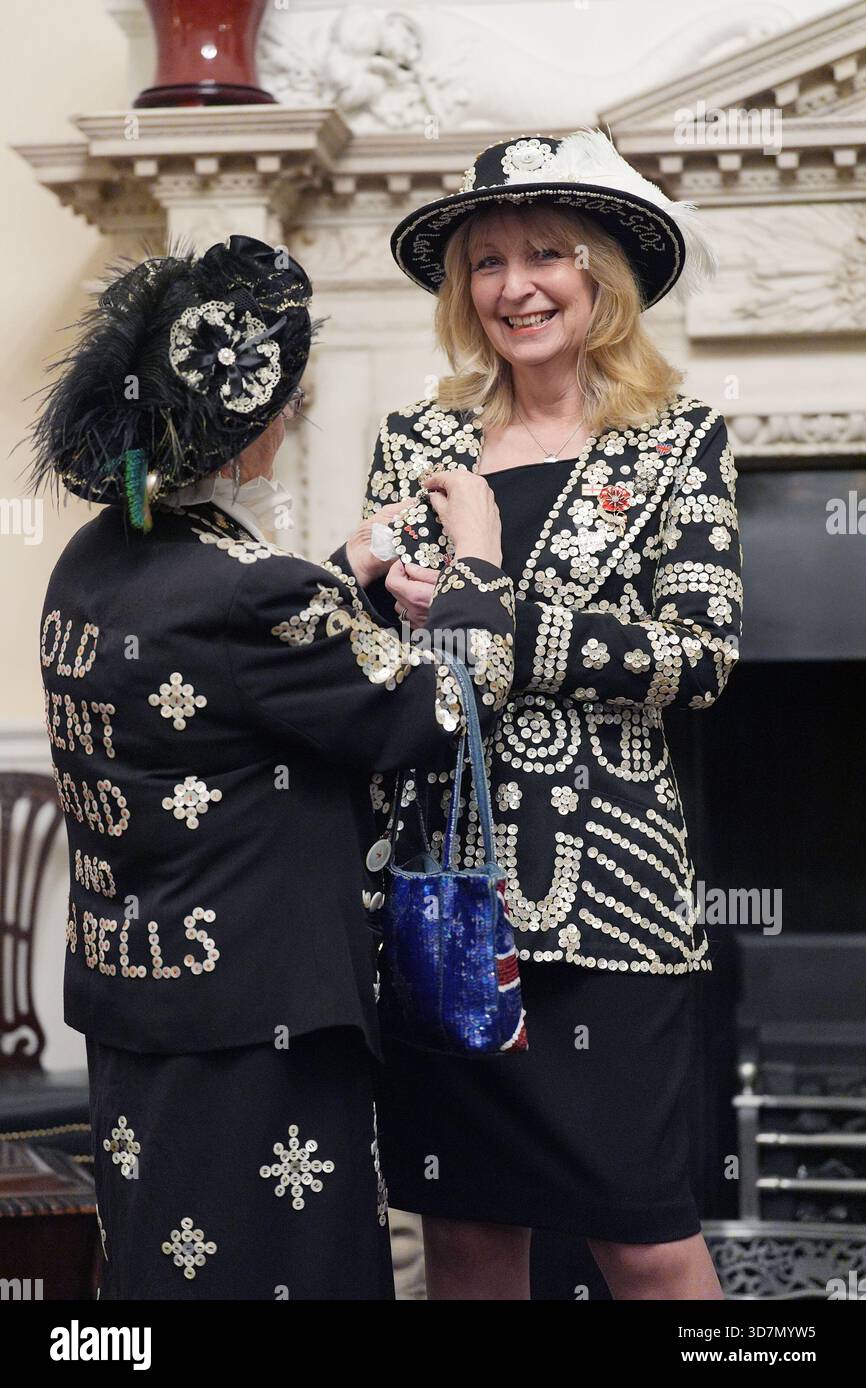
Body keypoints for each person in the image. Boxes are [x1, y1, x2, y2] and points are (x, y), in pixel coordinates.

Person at [30, 234, 515, 1299]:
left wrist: (343, 569)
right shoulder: (254, 594)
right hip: (257, 1021)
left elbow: (215, 676)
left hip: (137, 1000)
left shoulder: (95, 556)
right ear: (248, 429)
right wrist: (477, 559)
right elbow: (435, 711)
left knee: (163, 1274)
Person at [360, 130, 743, 1299]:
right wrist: (390, 611)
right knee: (466, 1237)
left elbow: (701, 655)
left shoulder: (678, 442)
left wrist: (496, 616)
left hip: (610, 908)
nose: (512, 286)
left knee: (644, 1239)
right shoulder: (417, 441)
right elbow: (376, 654)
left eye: (543, 254)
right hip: (441, 898)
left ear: (600, 277)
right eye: (484, 262)